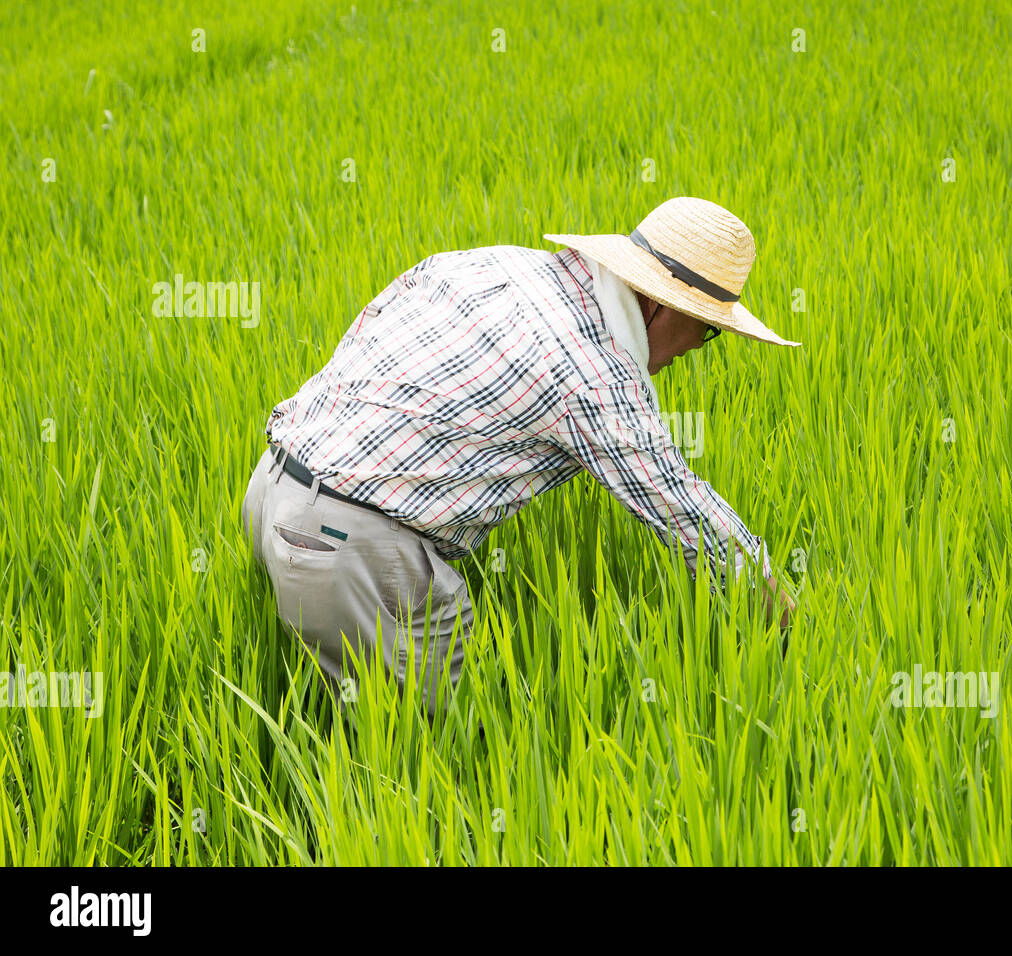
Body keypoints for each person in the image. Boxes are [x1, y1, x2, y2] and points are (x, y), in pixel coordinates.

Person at [241, 196, 801, 716]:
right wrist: (793, 624)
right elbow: (683, 514)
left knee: (341, 714)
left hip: (270, 492)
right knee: (420, 753)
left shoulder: (495, 265)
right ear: (657, 303)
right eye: (704, 330)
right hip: (345, 545)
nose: (695, 350)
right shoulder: (590, 371)